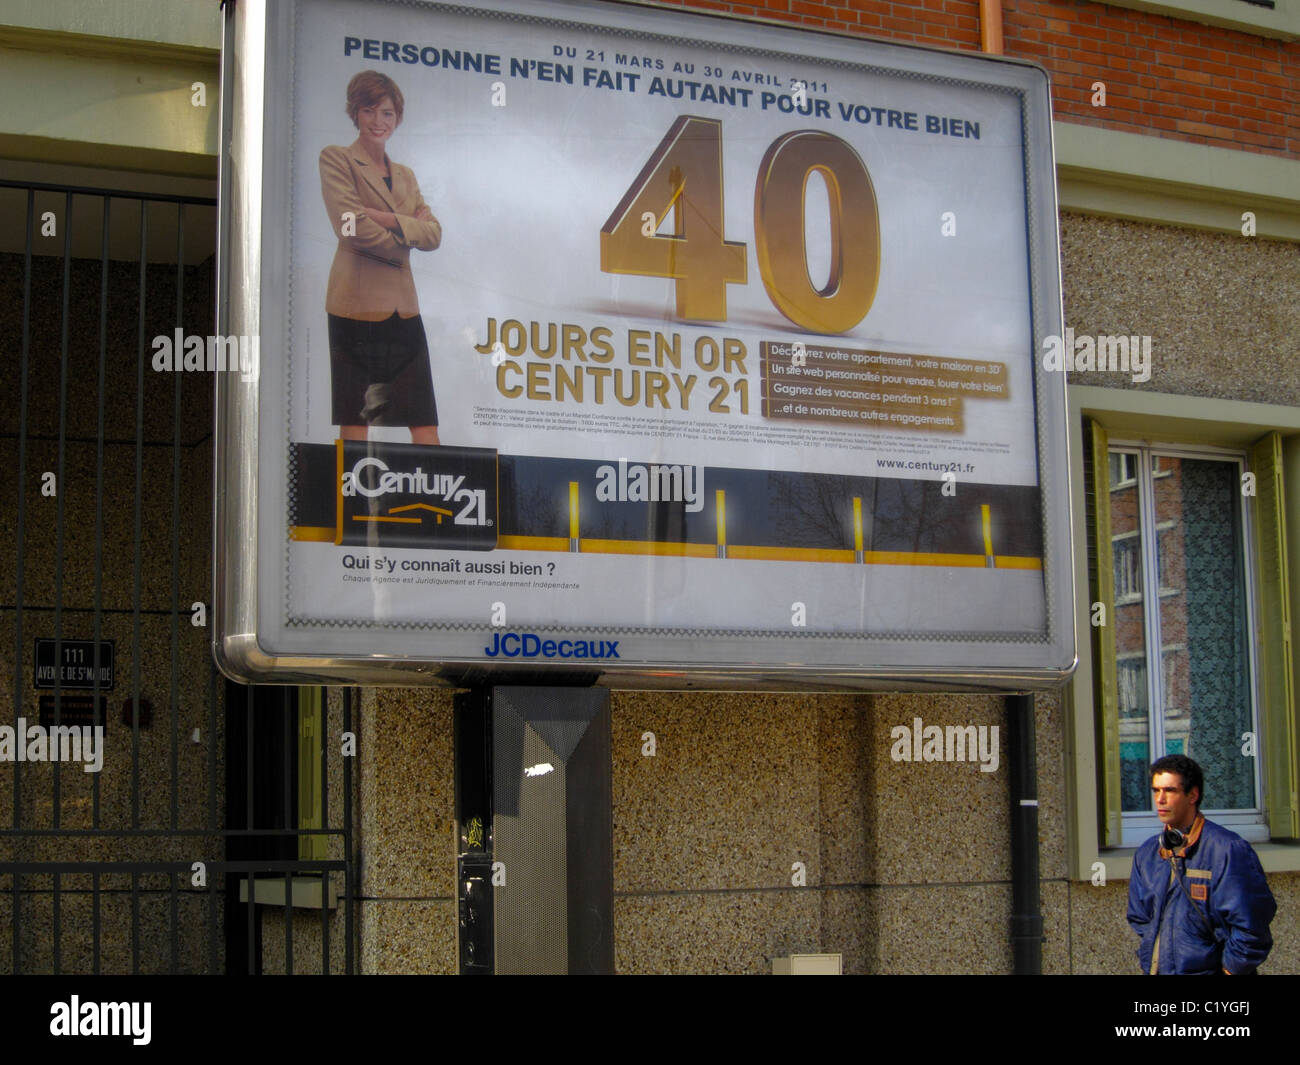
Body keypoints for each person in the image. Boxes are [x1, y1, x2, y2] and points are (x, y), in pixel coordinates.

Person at [320, 70, 442, 444]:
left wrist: (386, 218)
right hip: (354, 311)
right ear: (355, 112)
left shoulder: (405, 175)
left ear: (398, 118)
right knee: (356, 422)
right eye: (369, 110)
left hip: (403, 311)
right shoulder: (336, 159)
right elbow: (350, 227)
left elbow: (434, 235)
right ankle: (350, 500)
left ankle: (429, 499)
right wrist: (407, 233)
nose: (378, 121)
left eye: (387, 113)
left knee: (424, 423)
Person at [1126, 754, 1275, 975]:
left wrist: (1230, 970)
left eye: (1170, 790)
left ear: (1192, 795)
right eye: (1156, 790)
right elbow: (1139, 917)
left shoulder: (1228, 849)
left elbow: (1252, 926)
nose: (1160, 799)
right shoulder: (1148, 853)